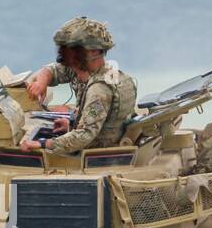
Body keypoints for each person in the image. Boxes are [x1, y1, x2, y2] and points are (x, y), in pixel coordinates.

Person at [20, 17, 138, 154]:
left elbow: (85, 135)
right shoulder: (97, 70)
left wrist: (42, 143)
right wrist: (41, 83)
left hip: (96, 154)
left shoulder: (99, 89)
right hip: (97, 141)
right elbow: (53, 70)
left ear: (94, 51)